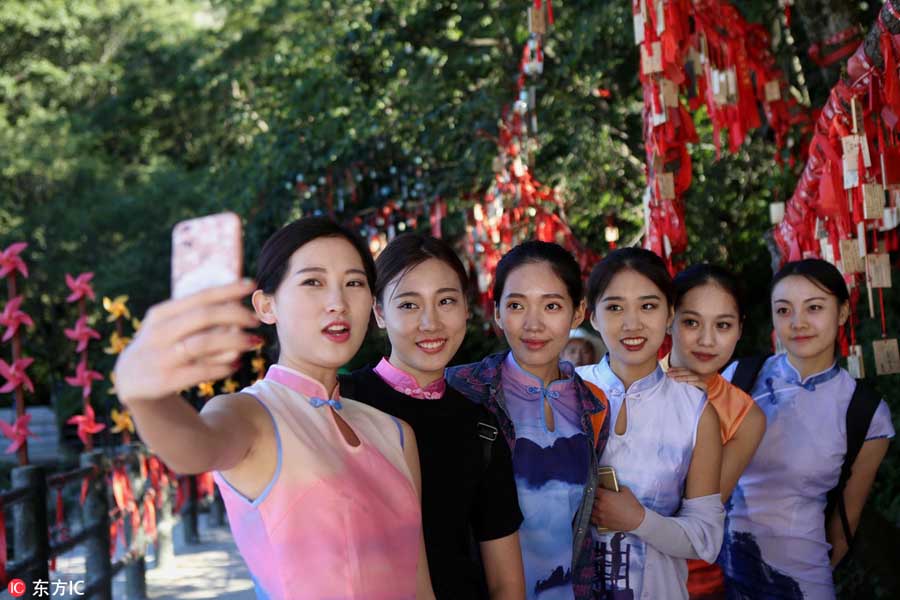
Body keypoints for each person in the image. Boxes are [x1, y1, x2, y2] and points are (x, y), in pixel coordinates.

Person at [113, 217, 434, 600]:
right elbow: (192, 447)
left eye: (354, 283)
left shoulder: (395, 433)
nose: (338, 302)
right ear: (267, 306)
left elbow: (420, 586)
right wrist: (145, 397)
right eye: (313, 282)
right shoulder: (252, 415)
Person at [339, 233, 526, 599]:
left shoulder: (482, 428)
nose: (431, 323)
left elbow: (507, 584)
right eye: (409, 305)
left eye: (446, 301)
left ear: (466, 308)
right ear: (379, 312)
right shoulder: (340, 403)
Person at [718, 259, 894, 599]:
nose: (798, 323)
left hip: (802, 580)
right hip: (721, 573)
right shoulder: (739, 378)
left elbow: (845, 526)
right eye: (784, 310)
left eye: (814, 308)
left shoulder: (865, 412)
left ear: (843, 312)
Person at [446, 241, 610, 600]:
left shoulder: (594, 406)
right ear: (498, 313)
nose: (534, 324)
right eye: (517, 305)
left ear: (578, 312)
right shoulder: (461, 390)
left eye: (552, 305)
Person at [576, 247, 724, 600]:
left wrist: (639, 519)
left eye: (648, 306)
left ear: (670, 313)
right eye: (614, 307)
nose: (632, 323)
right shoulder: (564, 391)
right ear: (592, 316)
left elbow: (707, 538)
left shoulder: (695, 411)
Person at [664, 264, 766, 599]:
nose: (707, 340)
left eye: (723, 325)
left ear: (739, 330)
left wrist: (697, 407)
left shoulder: (745, 415)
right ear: (669, 319)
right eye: (691, 322)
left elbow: (695, 516)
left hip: (691, 582)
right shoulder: (624, 380)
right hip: (608, 571)